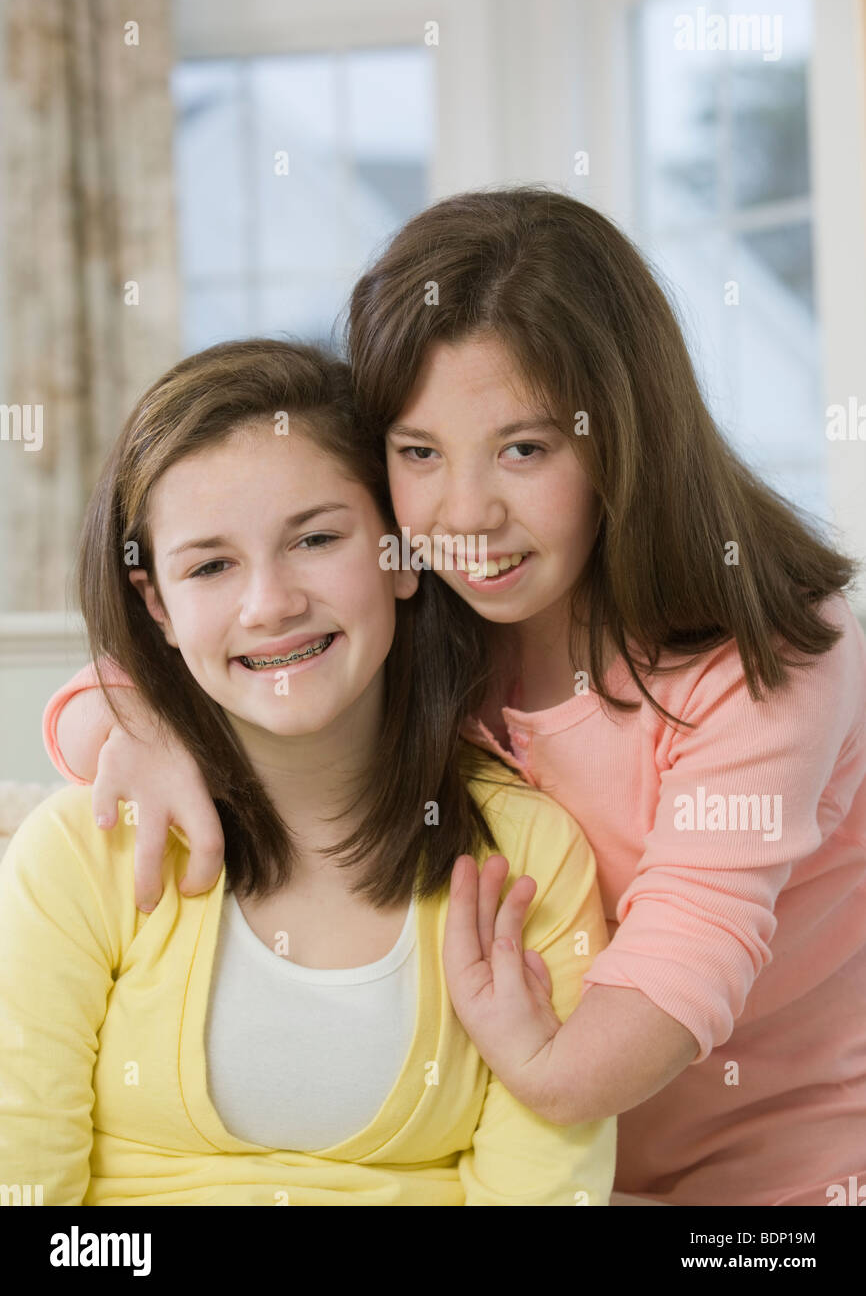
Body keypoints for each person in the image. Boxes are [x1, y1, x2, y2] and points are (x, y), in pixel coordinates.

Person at [42, 189, 866, 1207]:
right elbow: (214, 652)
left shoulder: (769, 659)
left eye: (523, 449)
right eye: (418, 452)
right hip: (557, 1177)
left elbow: (649, 1003)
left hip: (766, 1190)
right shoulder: (436, 596)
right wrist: (137, 723)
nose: (466, 513)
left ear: (624, 436)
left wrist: (531, 1058)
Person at [0, 337, 616, 1206]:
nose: (271, 605)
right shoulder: (78, 853)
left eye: (316, 538)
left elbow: (549, 1190)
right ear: (159, 609)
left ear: (401, 557)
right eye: (211, 565)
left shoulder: (532, 854)